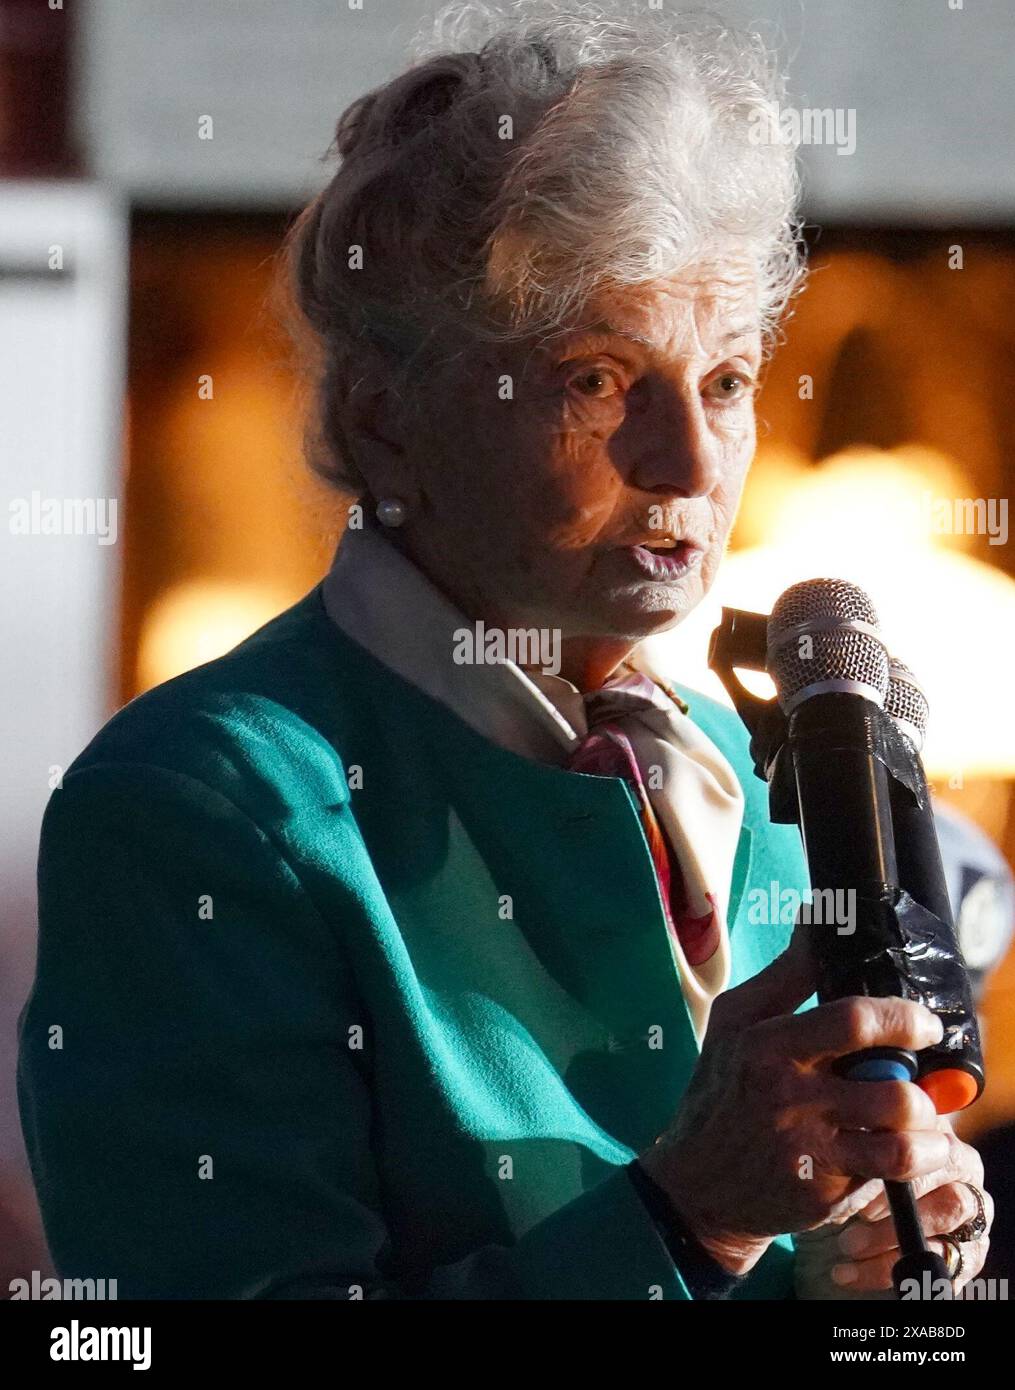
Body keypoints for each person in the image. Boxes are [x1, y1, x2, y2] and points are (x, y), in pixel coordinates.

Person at [17, 0, 993, 1299]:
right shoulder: (198, 809)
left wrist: (860, 1281)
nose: (691, 466)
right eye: (597, 377)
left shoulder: (763, 783)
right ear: (387, 416)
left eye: (726, 381)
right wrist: (684, 1223)